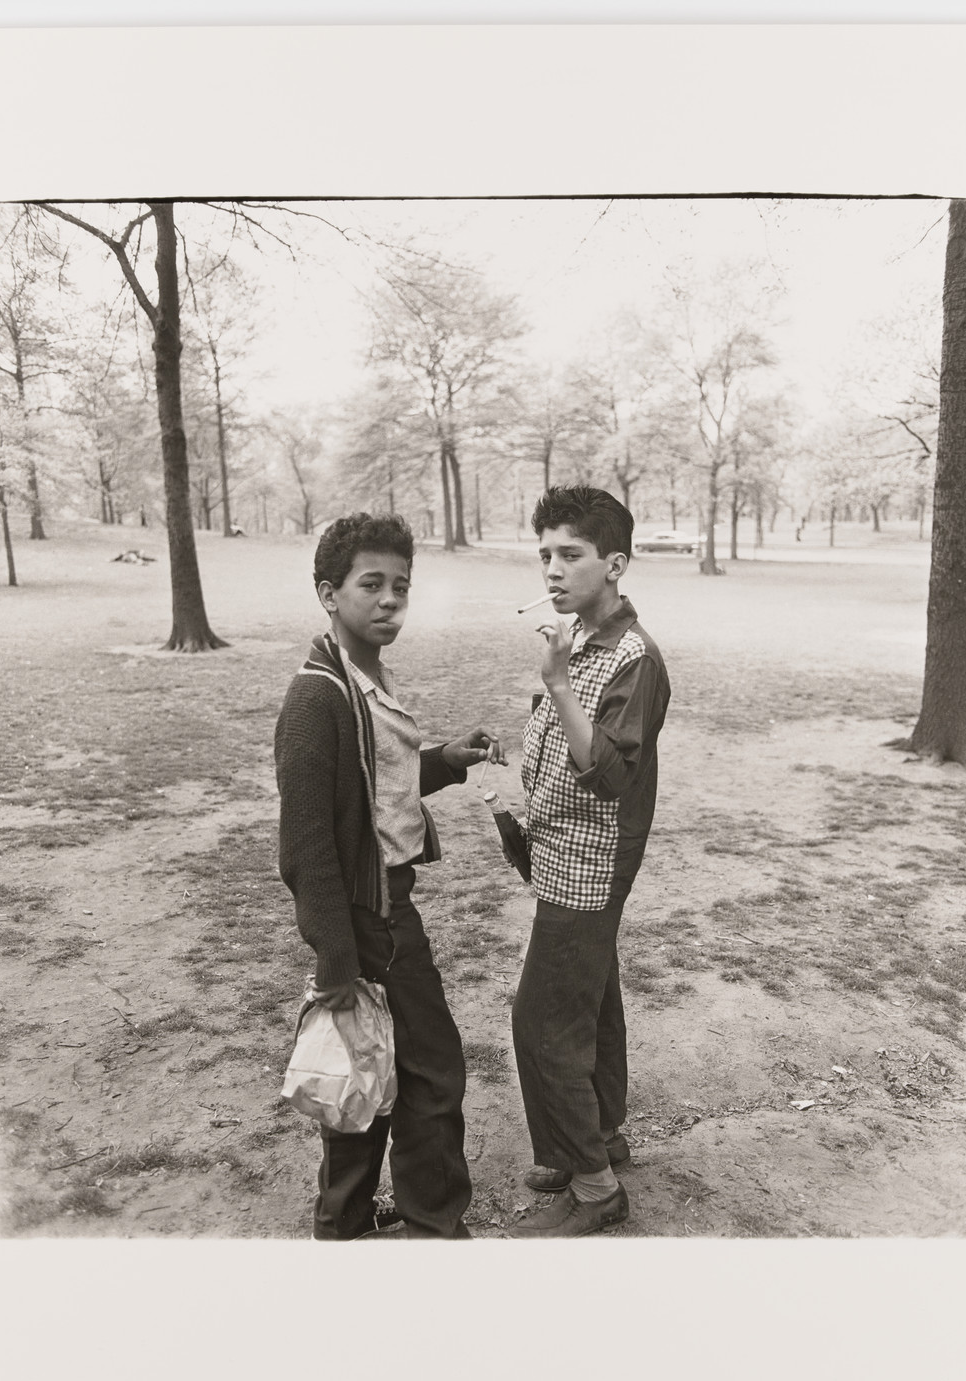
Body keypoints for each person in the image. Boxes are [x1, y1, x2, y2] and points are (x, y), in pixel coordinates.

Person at [275, 512, 505, 1240]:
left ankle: (343, 1223)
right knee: (426, 1070)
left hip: (384, 906)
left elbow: (378, 792)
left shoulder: (365, 676)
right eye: (369, 584)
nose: (387, 600)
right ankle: (432, 1223)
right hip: (367, 918)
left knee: (367, 1065)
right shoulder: (317, 698)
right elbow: (308, 846)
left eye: (400, 586)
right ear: (327, 592)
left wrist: (442, 759)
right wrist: (337, 957)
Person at [509, 485, 671, 1239]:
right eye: (544, 554)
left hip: (592, 860)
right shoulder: (582, 639)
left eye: (568, 555)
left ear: (614, 563)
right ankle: (600, 1137)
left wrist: (553, 682)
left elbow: (608, 772)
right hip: (563, 850)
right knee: (591, 1003)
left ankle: (595, 1185)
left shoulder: (633, 657)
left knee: (543, 1020)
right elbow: (561, 743)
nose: (551, 569)